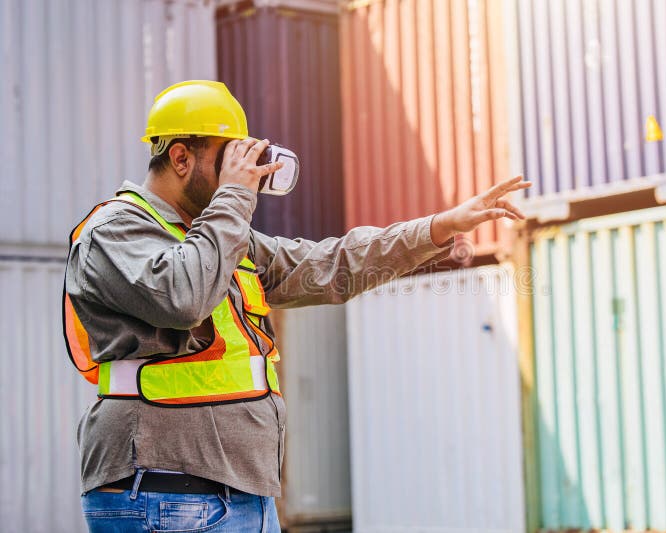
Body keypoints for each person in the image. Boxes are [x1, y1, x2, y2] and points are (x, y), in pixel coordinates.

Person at [64, 80, 530, 533]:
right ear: (181, 157)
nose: (241, 174)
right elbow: (183, 297)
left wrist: (439, 226)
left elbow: (330, 265)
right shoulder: (115, 229)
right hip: (165, 491)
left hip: (237, 490)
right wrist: (234, 197)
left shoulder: (220, 237)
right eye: (228, 159)